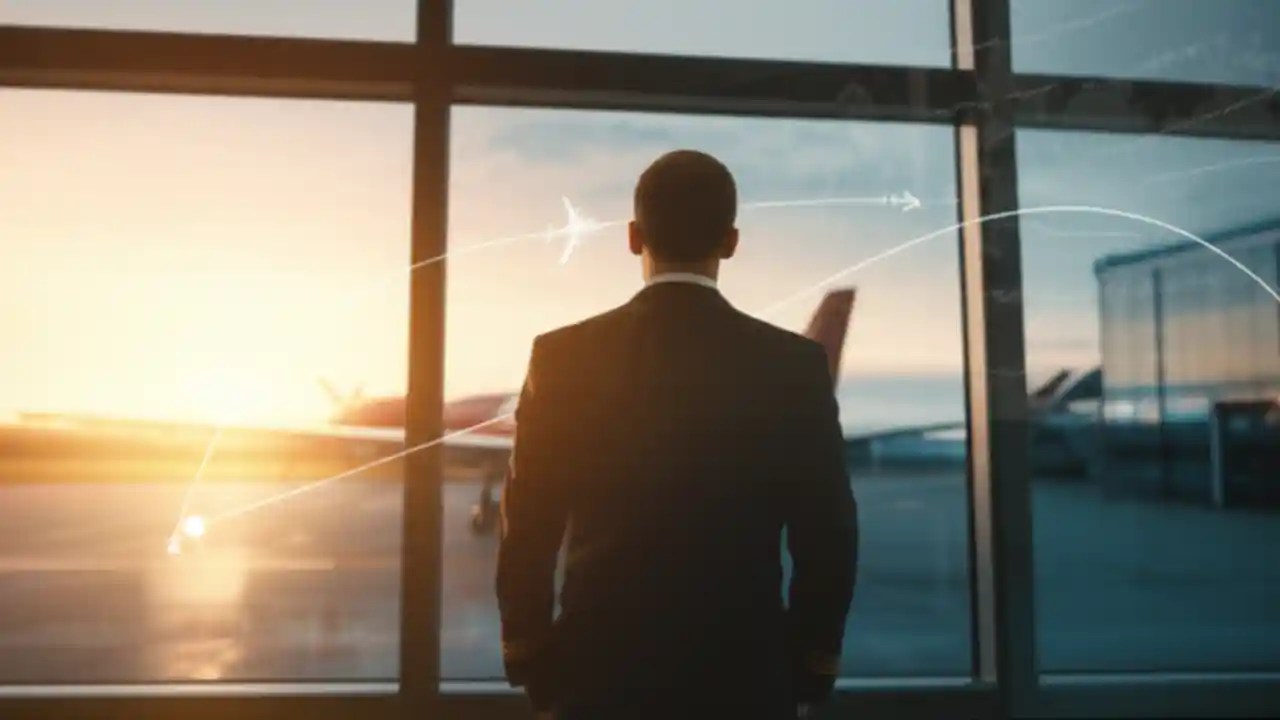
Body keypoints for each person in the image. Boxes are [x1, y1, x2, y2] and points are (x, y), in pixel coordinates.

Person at [496, 150, 858, 720]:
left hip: (597, 674)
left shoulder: (561, 357)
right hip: (744, 675)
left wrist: (530, 655)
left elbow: (528, 527)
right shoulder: (794, 366)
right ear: (731, 241)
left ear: (634, 237)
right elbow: (828, 533)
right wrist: (812, 664)